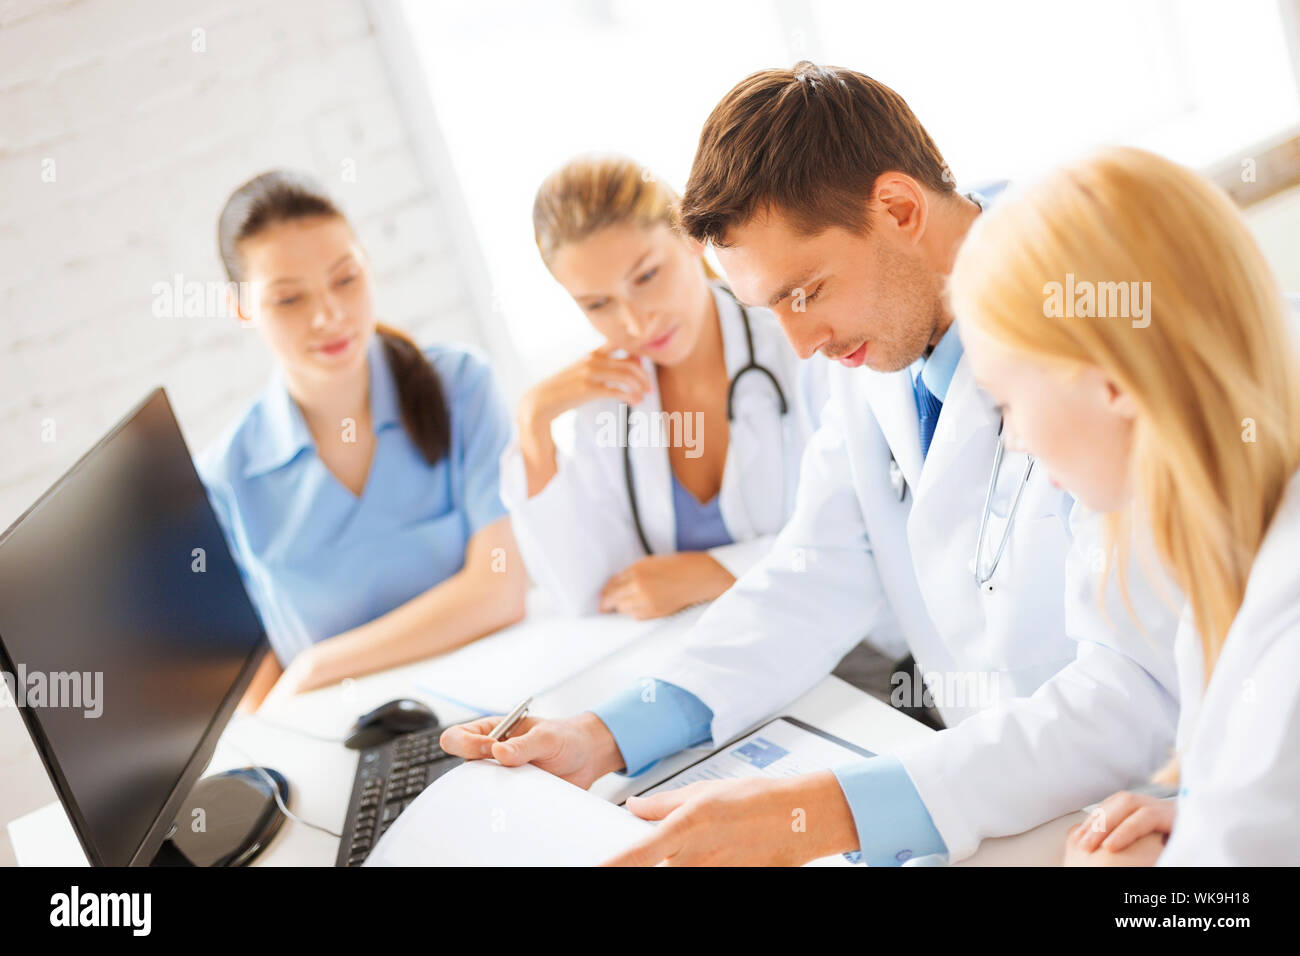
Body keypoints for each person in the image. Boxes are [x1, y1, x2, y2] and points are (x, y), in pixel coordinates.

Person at [441, 63, 1181, 866]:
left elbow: (1139, 689)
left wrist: (825, 812)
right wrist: (603, 735)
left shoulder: (1097, 317)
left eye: (805, 293)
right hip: (1006, 798)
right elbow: (815, 567)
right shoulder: (877, 344)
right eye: (771, 310)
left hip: (1153, 816)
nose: (803, 346)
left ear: (898, 209)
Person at [948, 147, 1300, 866]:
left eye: (1007, 402)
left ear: (1111, 380)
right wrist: (1196, 817)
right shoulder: (1240, 539)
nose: (1013, 440)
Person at [198, 170, 527, 710]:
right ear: (241, 308)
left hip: (499, 701)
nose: (329, 315)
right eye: (288, 299)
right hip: (348, 748)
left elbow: (500, 590)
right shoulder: (223, 479)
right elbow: (260, 700)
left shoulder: (462, 386)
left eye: (345, 279)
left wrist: (320, 664)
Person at [503, 155, 826, 619]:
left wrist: (715, 573)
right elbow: (588, 592)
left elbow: (860, 532)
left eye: (647, 276)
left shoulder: (801, 345)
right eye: (598, 304)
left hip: (857, 662)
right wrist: (534, 420)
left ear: (692, 236)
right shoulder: (609, 404)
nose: (636, 321)